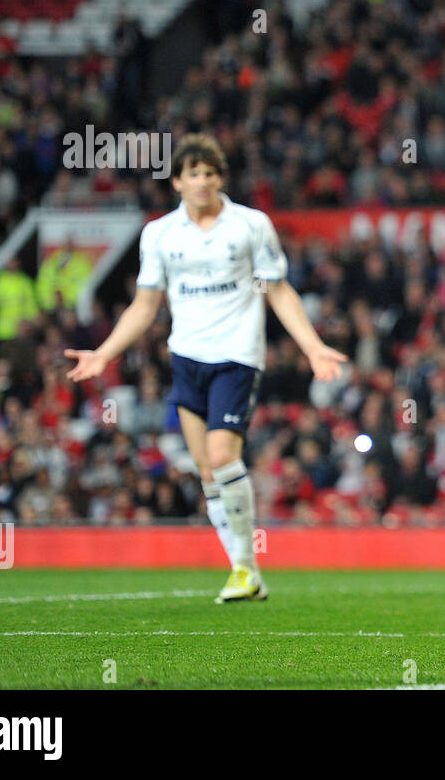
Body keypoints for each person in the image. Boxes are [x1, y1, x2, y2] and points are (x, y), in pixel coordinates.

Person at [64, 134, 347, 602]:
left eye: (211, 173)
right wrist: (104, 353)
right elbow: (145, 304)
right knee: (206, 470)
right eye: (193, 173)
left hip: (236, 356)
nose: (202, 181)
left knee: (221, 457)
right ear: (176, 181)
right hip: (186, 357)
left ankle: (245, 566)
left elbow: (278, 290)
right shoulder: (159, 234)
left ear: (221, 179)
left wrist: (313, 346)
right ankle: (245, 573)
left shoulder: (250, 225)